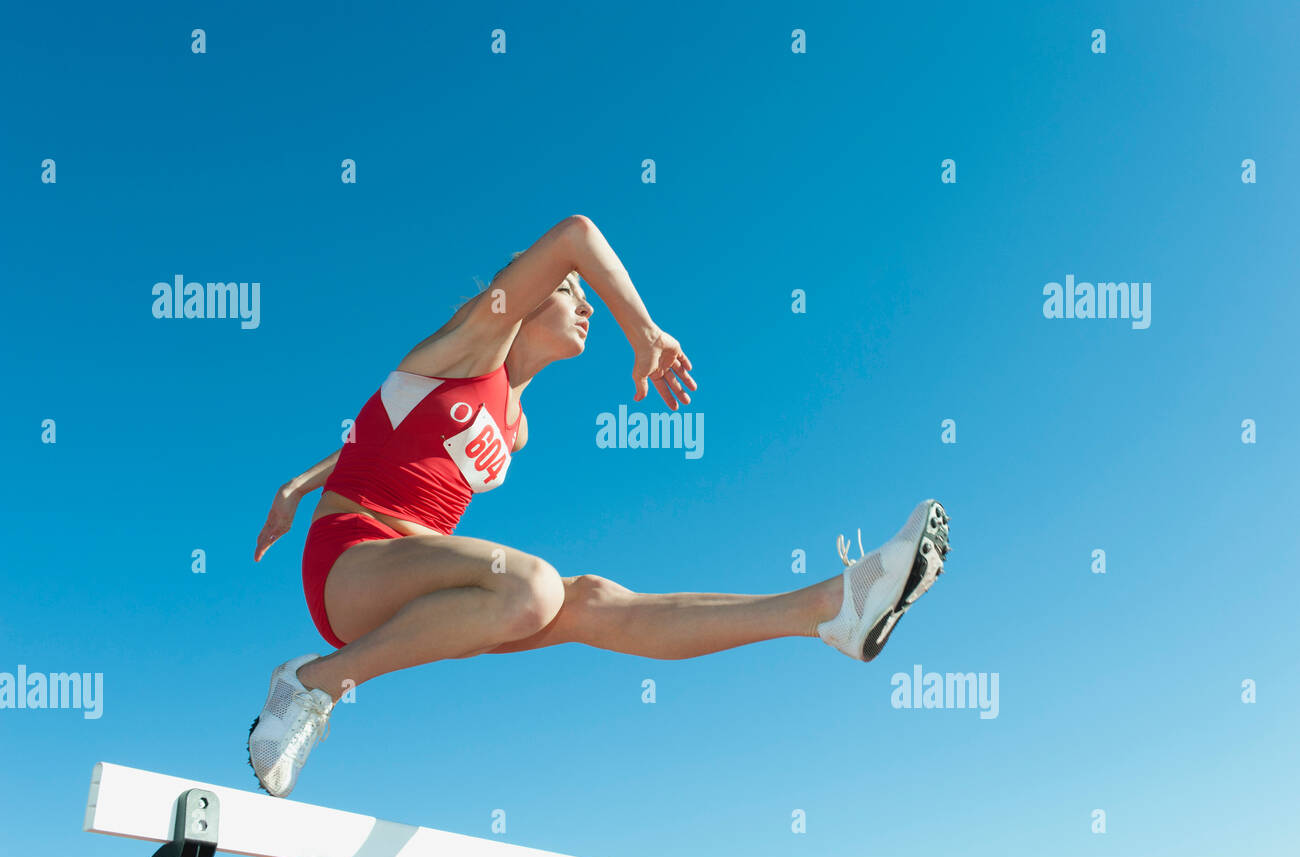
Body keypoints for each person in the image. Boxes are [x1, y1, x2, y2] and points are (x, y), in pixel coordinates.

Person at [247, 215, 951, 798]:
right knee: (531, 585)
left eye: (589, 298)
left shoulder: (516, 428)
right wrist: (643, 331)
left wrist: (295, 483)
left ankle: (831, 608)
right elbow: (577, 232)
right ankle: (311, 682)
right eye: (572, 294)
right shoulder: (472, 338)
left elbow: (383, 427)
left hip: (422, 594)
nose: (585, 306)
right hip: (350, 563)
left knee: (591, 600)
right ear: (527, 298)